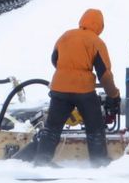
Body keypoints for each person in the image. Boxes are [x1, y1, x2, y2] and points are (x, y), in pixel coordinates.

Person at [30, 9, 121, 167]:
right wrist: (113, 95)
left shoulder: (66, 35)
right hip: (83, 90)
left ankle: (42, 160)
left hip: (59, 88)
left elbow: (54, 59)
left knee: (52, 127)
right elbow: (104, 74)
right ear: (100, 25)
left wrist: (66, 71)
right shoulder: (96, 42)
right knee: (95, 126)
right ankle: (99, 162)